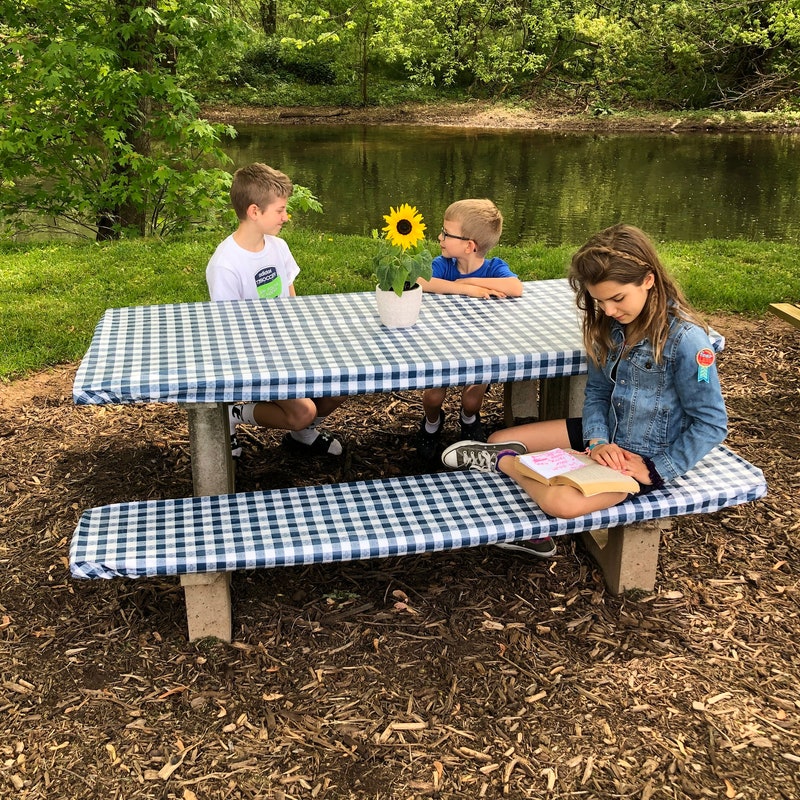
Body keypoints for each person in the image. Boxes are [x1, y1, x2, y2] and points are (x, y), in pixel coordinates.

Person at [440, 223, 728, 559]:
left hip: (639, 461)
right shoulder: (607, 325)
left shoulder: (689, 342)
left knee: (561, 501)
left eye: (617, 298)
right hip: (602, 437)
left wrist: (657, 468)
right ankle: (545, 470)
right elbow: (597, 392)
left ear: (648, 280)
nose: (608, 310)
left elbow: (711, 422)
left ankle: (508, 464)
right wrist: (596, 441)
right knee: (496, 438)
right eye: (599, 300)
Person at [206, 162, 345, 458]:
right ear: (255, 212)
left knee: (344, 382)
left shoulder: (278, 247)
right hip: (255, 356)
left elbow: (290, 297)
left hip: (288, 347)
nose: (286, 216)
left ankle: (302, 434)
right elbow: (228, 330)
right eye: (280, 210)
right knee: (303, 410)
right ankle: (234, 414)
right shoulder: (226, 264)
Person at [415, 199, 524, 460]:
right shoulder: (443, 265)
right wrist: (465, 288)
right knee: (432, 397)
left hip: (481, 347)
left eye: (446, 233)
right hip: (441, 346)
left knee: (472, 399)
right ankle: (432, 425)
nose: (439, 237)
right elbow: (420, 280)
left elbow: (516, 288)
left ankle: (468, 418)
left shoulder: (494, 267)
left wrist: (471, 280)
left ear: (469, 246)